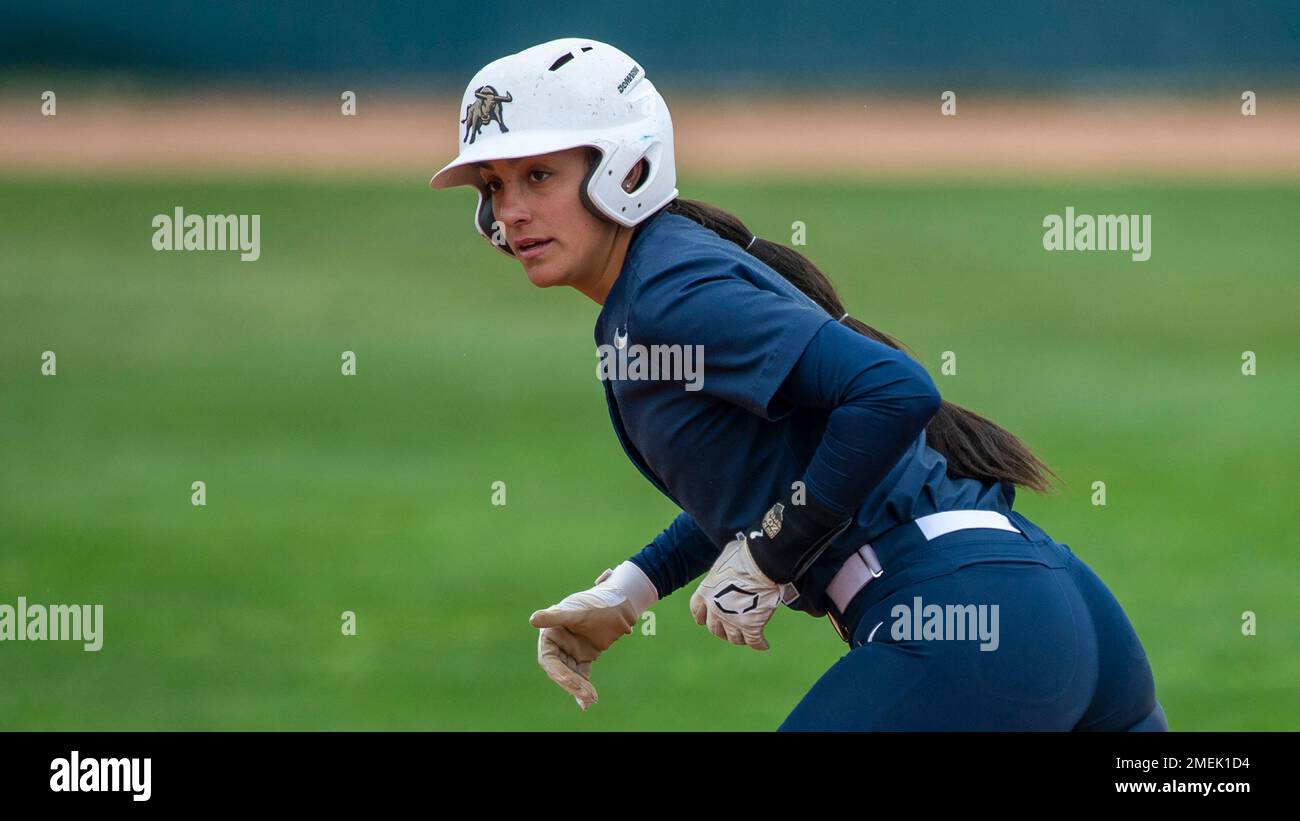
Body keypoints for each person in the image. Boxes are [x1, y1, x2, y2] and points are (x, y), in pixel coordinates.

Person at [430, 37, 1167, 731]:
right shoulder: (668, 272)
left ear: (624, 166)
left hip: (966, 619)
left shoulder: (666, 290)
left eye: (539, 175)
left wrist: (772, 556)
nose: (511, 210)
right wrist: (634, 588)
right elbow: (771, 465)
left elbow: (894, 390)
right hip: (1046, 603)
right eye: (494, 186)